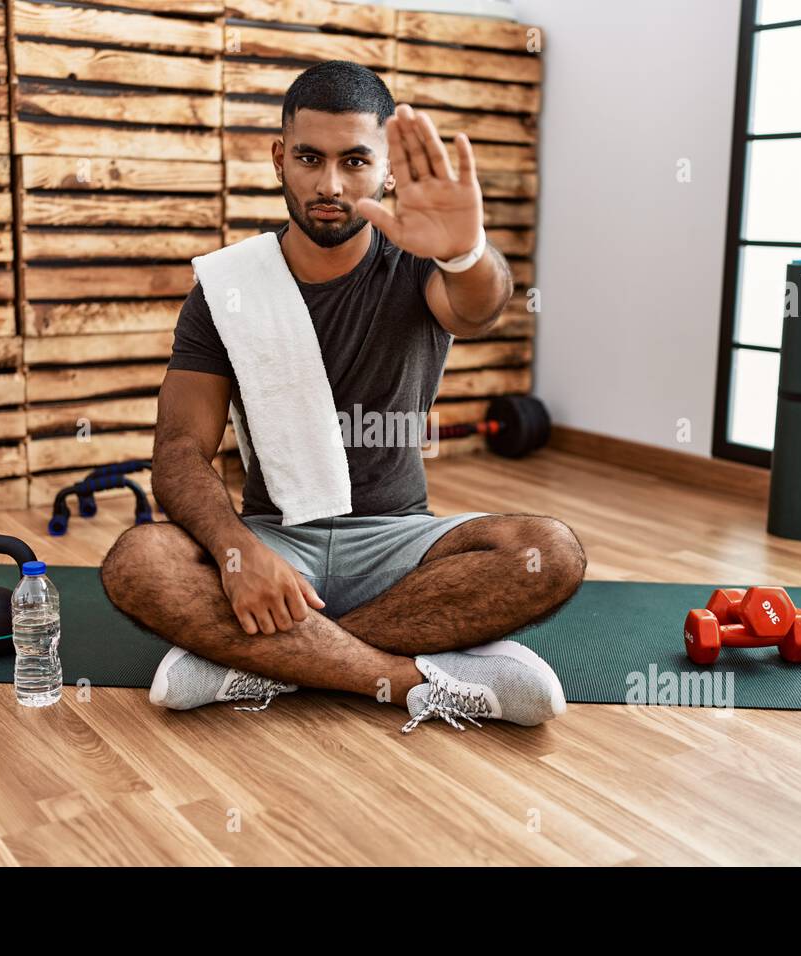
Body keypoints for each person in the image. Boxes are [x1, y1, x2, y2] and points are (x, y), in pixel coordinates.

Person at [100, 61, 585, 734]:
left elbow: (481, 308)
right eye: (309, 158)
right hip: (277, 541)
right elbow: (180, 452)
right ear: (279, 158)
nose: (329, 185)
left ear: (387, 168)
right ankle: (407, 681)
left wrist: (466, 251)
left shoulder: (424, 265)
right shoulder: (228, 286)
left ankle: (265, 660)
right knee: (137, 562)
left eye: (354, 160)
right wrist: (240, 554)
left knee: (549, 552)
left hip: (399, 539)